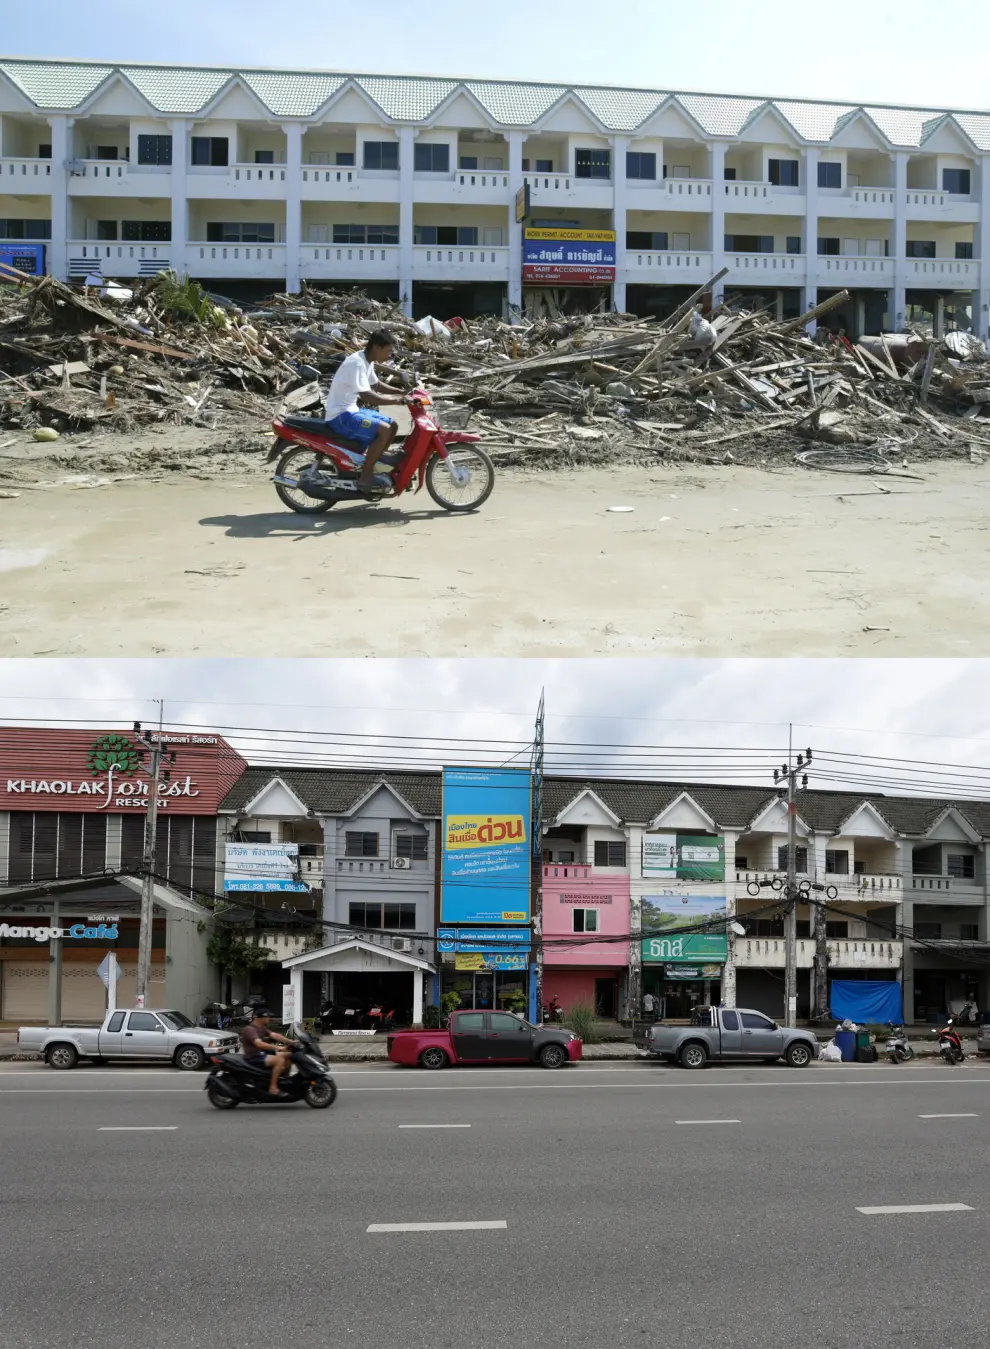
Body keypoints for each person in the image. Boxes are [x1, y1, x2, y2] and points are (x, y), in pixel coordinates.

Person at [324, 328, 410, 492]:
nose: (390, 355)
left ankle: (378, 463)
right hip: (340, 415)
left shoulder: (366, 360)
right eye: (389, 350)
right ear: (377, 347)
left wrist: (401, 392)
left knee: (392, 425)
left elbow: (376, 385)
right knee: (384, 430)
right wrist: (398, 401)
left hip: (351, 410)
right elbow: (367, 396)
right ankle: (366, 475)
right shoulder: (357, 363)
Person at [238, 1007, 296, 1097]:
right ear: (260, 1018)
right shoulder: (250, 1030)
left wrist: (291, 1042)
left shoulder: (261, 1027)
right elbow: (259, 1044)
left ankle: (284, 1080)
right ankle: (273, 1088)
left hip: (262, 1054)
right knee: (279, 1060)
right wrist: (279, 1048)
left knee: (289, 1055)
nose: (269, 1019)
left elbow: (275, 1035)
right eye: (267, 1017)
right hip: (254, 1057)